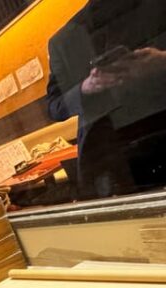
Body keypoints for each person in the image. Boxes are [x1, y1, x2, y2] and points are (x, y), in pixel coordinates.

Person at [46, 0, 166, 197]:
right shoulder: (64, 40)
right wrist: (85, 88)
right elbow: (53, 107)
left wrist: (161, 61)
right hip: (109, 158)